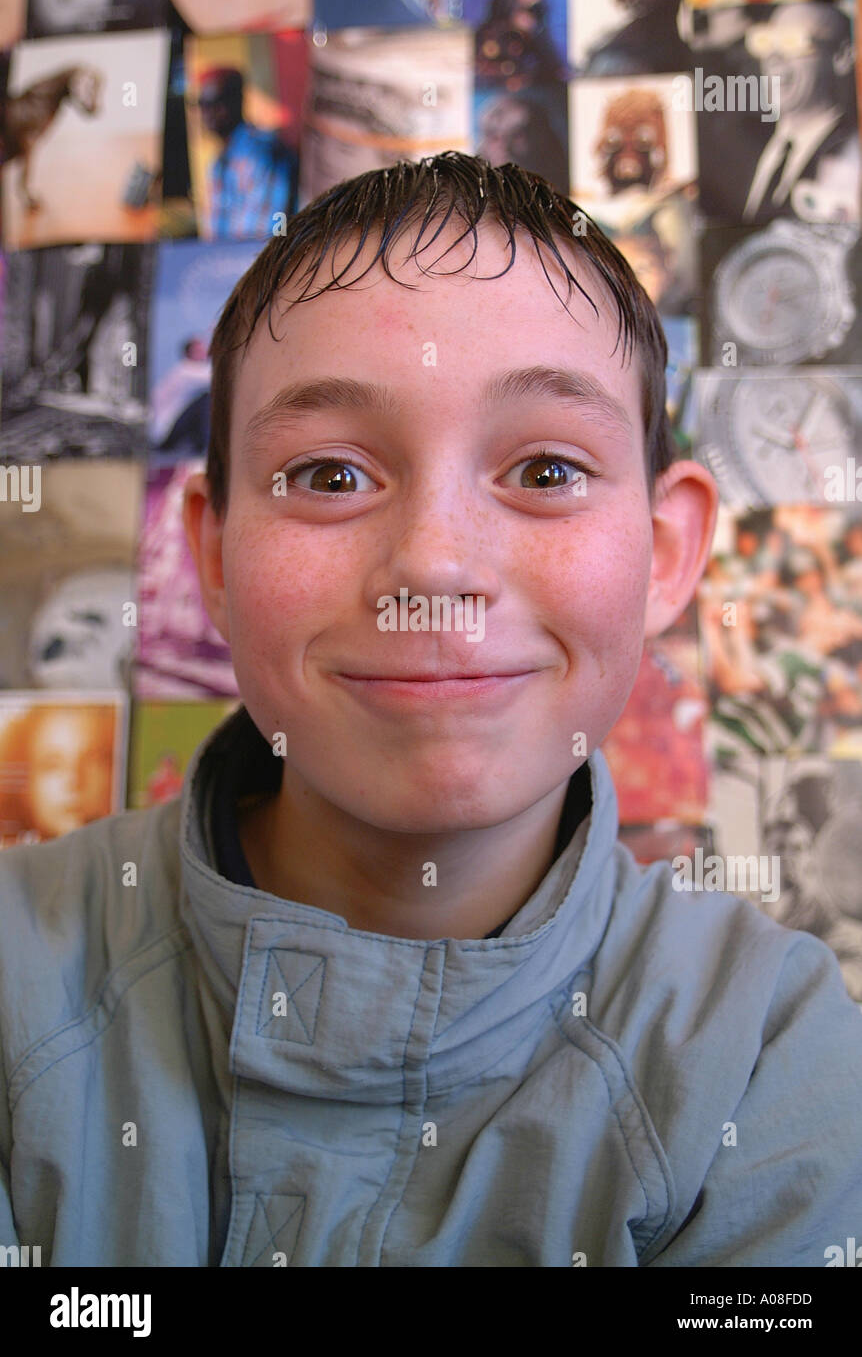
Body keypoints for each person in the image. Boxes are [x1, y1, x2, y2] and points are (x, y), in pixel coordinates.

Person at [1, 153, 860, 1268]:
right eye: (329, 476)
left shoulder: (770, 1053)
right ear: (211, 554)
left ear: (667, 550)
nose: (435, 567)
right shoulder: (16, 977)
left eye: (546, 472)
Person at [195, 66, 298, 241]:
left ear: (237, 101)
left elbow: (267, 234)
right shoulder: (217, 164)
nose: (208, 113)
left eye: (216, 102)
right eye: (202, 104)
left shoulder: (263, 153)